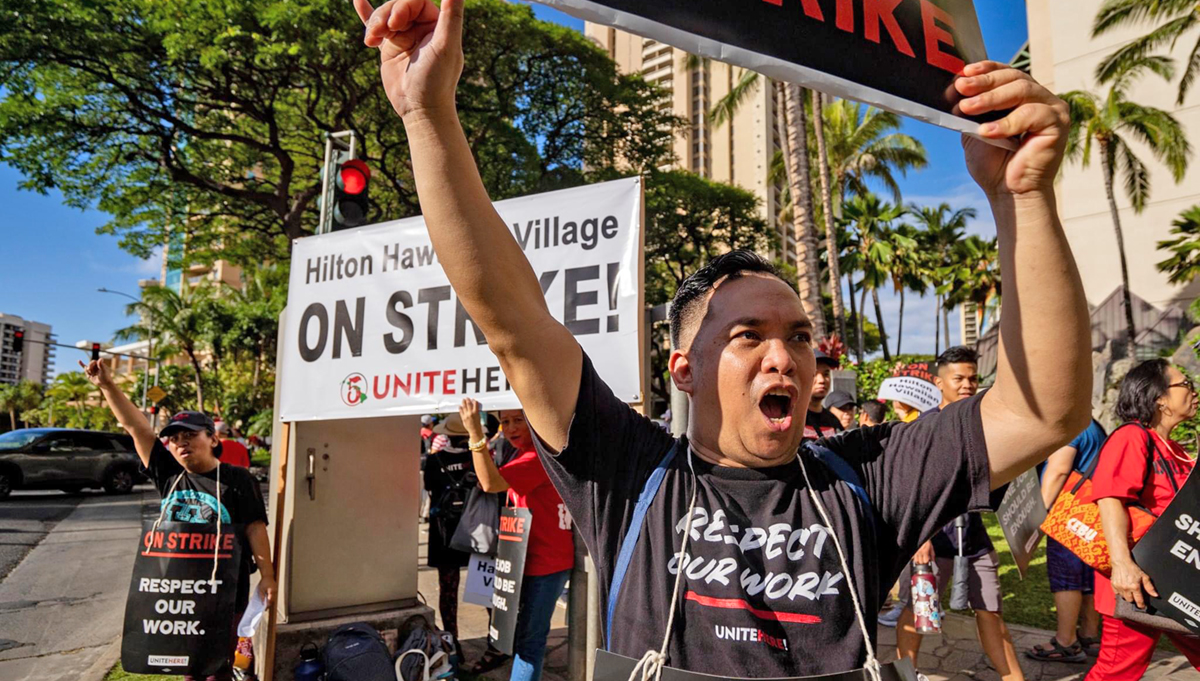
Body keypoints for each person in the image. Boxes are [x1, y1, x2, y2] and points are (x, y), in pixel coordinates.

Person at [354, 2, 1090, 674]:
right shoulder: (629, 473)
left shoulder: (867, 478)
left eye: (800, 336)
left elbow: (1044, 410)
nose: (786, 357)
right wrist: (427, 113)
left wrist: (1021, 194)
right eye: (750, 335)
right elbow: (511, 320)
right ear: (685, 369)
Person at [83, 359, 274, 681]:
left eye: (190, 435)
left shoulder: (238, 479)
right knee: (187, 664)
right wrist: (107, 386)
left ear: (213, 439)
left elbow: (256, 527)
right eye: (174, 438)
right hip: (176, 590)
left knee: (218, 663)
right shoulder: (168, 473)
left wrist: (267, 577)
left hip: (225, 589)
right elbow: (137, 427)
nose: (181, 442)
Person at [895, 347, 1023, 681]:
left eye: (973, 378)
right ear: (939, 382)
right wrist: (919, 538)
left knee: (991, 610)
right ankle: (906, 675)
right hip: (931, 540)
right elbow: (908, 489)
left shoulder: (983, 424)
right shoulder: (924, 428)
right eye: (959, 378)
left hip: (975, 539)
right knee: (917, 611)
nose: (967, 385)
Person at [1083, 360, 1200, 680]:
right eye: (1185, 384)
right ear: (1159, 397)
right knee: (1116, 671)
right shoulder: (1132, 437)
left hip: (1175, 581)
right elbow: (1110, 498)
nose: (1194, 391)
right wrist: (1122, 565)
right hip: (1137, 583)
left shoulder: (1175, 450)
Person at [460, 399, 573, 681]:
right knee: (523, 639)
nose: (510, 427)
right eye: (505, 421)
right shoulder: (529, 453)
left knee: (528, 644)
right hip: (528, 560)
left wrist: (475, 435)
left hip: (543, 564)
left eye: (517, 420)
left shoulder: (536, 457)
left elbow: (490, 483)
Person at [1025, 419, 1105, 662]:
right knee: (1087, 578)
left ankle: (1065, 642)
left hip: (1067, 515)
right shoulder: (1093, 425)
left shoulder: (1070, 427)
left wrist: (1038, 515)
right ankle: (1089, 635)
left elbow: (1059, 469)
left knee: (1066, 579)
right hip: (1090, 515)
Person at [423, 413, 475, 643]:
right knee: (486, 588)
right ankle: (496, 644)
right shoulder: (478, 458)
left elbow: (429, 487)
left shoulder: (434, 461)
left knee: (447, 589)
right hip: (476, 530)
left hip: (444, 532)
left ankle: (452, 640)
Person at [803, 351, 844, 439]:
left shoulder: (833, 422)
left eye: (826, 374)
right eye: (814, 374)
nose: (822, 380)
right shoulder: (791, 418)